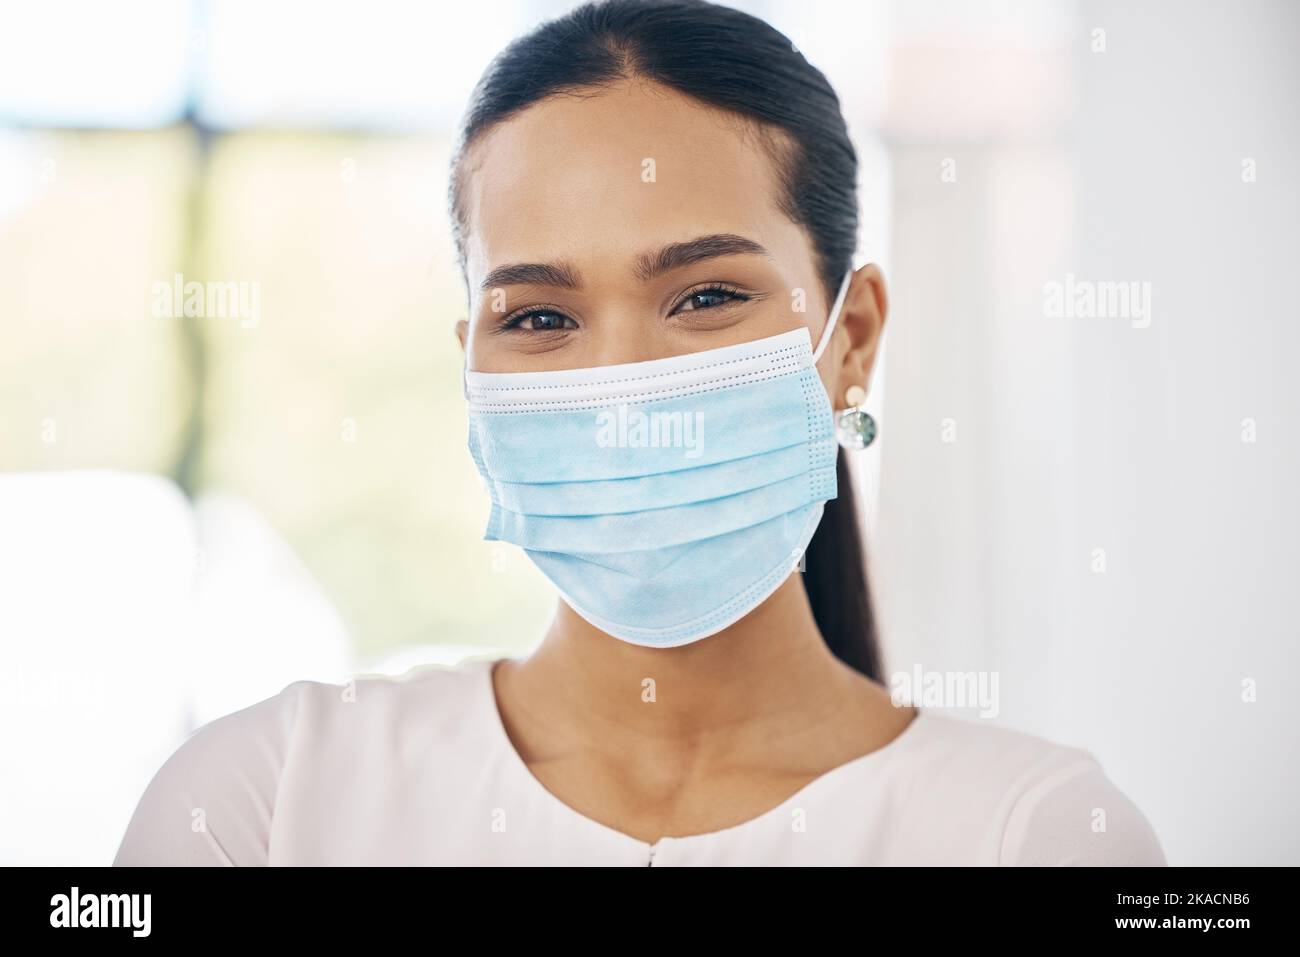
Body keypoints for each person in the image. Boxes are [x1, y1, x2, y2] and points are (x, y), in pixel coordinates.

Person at [113, 0, 1166, 866]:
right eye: (537, 317)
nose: (621, 390)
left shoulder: (1036, 836)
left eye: (706, 296)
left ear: (849, 340)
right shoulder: (266, 803)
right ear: (471, 368)